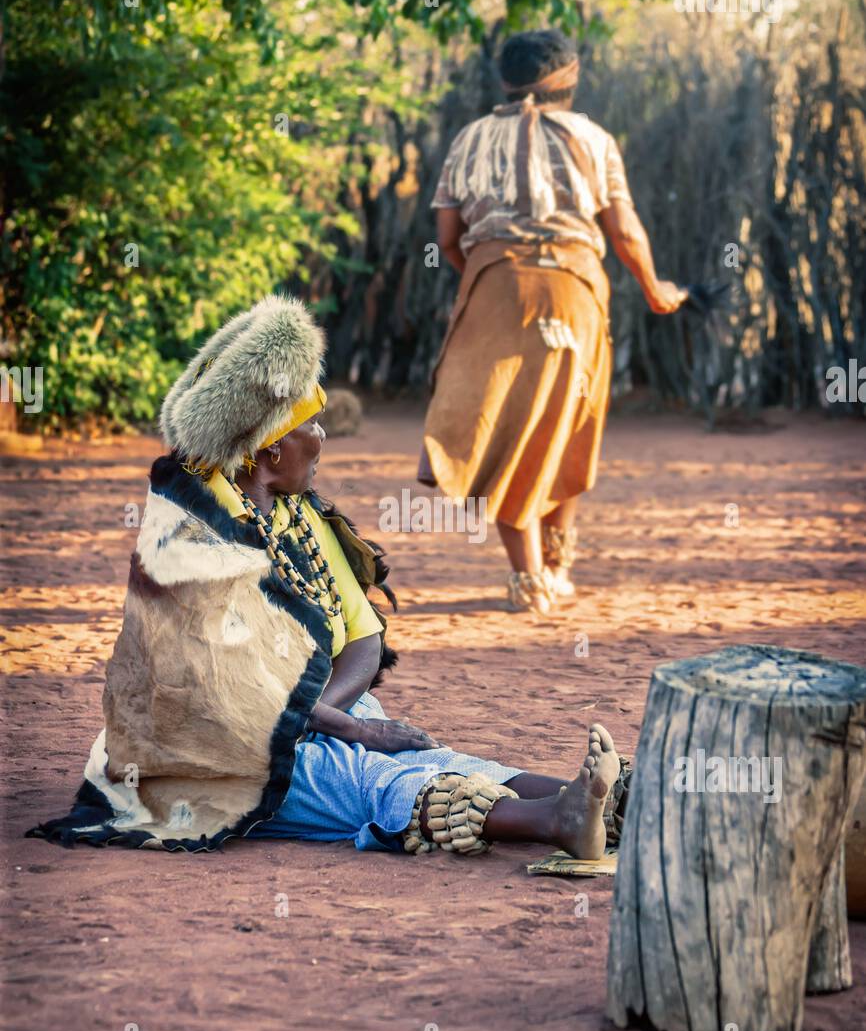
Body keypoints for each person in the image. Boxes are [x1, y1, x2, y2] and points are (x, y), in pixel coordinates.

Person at [28, 295, 626, 860]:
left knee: (414, 754)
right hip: (207, 753)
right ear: (268, 451)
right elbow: (228, 694)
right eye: (310, 423)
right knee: (365, 778)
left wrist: (331, 719)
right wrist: (344, 729)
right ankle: (557, 820)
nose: (323, 435)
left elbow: (364, 637)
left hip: (311, 714)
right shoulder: (191, 532)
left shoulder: (299, 512)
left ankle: (604, 802)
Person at [420, 27, 687, 614]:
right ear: (569, 78)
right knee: (568, 423)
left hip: (495, 288)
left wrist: (488, 276)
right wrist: (655, 289)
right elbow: (623, 232)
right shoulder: (594, 139)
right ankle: (558, 567)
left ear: (505, 81)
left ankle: (528, 578)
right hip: (576, 291)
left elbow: (446, 237)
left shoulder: (469, 139)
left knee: (511, 428)